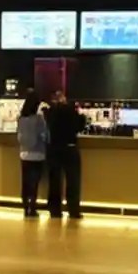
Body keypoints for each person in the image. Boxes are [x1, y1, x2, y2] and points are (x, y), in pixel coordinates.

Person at [44, 90, 85, 219]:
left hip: (54, 148)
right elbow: (80, 125)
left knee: (55, 181)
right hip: (70, 147)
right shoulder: (71, 111)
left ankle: (55, 209)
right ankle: (73, 209)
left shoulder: (50, 112)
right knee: (73, 181)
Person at [17, 91, 49, 218]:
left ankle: (25, 207)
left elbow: (19, 136)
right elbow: (45, 136)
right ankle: (32, 207)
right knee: (34, 182)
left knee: (25, 182)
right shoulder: (39, 119)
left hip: (24, 153)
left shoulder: (21, 119)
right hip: (38, 154)